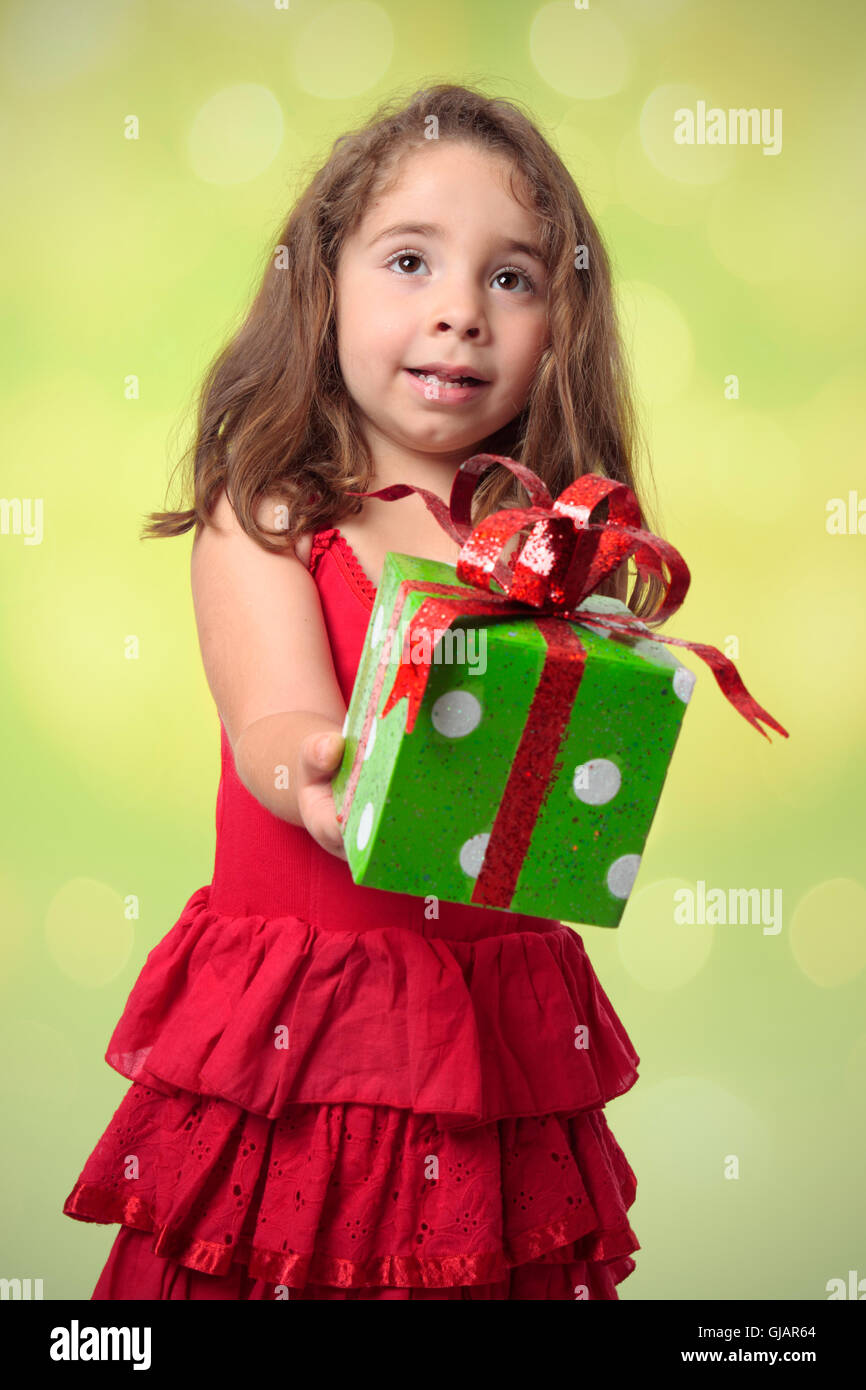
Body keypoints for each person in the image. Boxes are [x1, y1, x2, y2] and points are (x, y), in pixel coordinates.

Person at [63, 82, 665, 1300]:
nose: (459, 313)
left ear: (562, 322)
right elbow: (266, 722)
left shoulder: (541, 541)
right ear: (320, 285)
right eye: (409, 261)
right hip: (310, 1029)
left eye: (512, 278)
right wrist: (317, 770)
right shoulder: (277, 512)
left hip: (483, 1040)